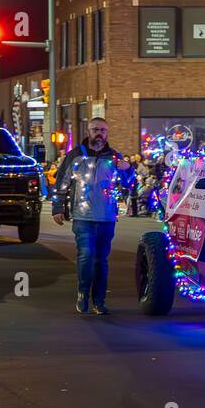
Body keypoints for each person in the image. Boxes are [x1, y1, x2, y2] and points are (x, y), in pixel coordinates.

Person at [51, 117, 124, 315]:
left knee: (101, 260)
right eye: (95, 130)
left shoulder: (114, 157)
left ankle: (99, 301)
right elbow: (61, 182)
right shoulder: (75, 155)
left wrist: (128, 170)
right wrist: (57, 207)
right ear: (88, 132)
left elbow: (127, 183)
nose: (99, 133)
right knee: (86, 255)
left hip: (107, 217)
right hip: (82, 215)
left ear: (107, 133)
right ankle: (83, 293)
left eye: (103, 130)